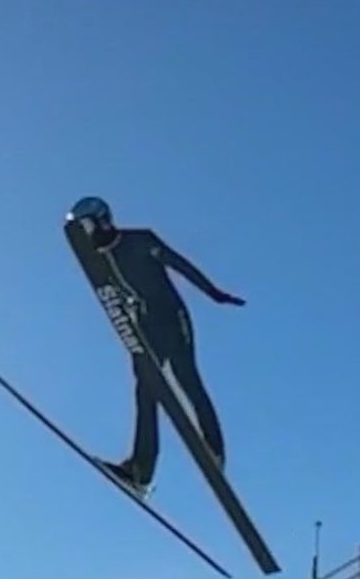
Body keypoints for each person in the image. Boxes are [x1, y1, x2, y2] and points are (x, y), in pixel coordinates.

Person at [68, 195, 245, 497]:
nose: (87, 235)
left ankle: (214, 451)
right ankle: (140, 472)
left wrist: (213, 292)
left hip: (172, 317)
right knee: (145, 391)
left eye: (87, 227)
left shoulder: (140, 240)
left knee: (186, 378)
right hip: (144, 323)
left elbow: (180, 265)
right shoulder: (101, 261)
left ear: (102, 221)